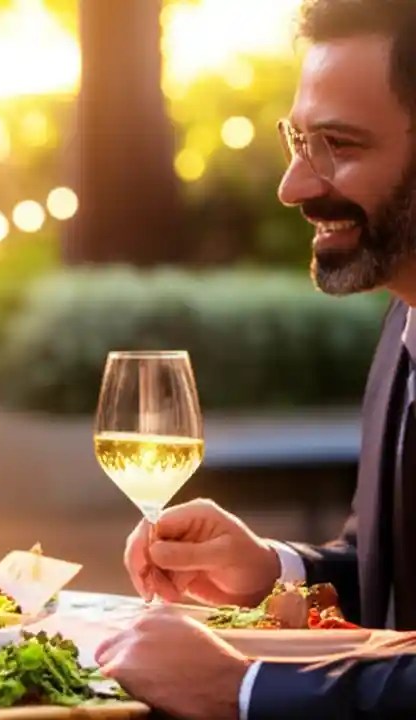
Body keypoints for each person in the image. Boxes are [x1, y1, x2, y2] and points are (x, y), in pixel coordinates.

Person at [97, 1, 416, 718]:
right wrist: (272, 574)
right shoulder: (406, 321)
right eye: (298, 141)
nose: (293, 186)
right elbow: (394, 592)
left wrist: (240, 690)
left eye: (339, 145)